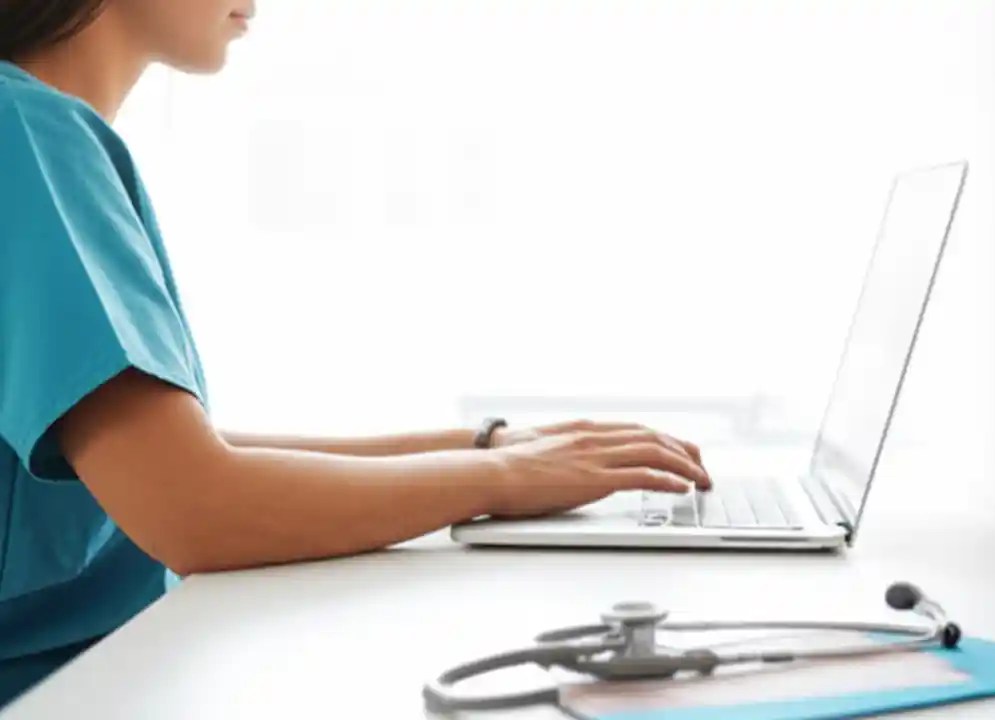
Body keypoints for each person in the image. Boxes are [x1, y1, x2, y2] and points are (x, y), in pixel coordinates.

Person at [0, 0, 712, 707]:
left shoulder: (31, 130)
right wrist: (500, 477)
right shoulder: (26, 133)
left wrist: (486, 447)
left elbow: (168, 459)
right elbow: (193, 505)